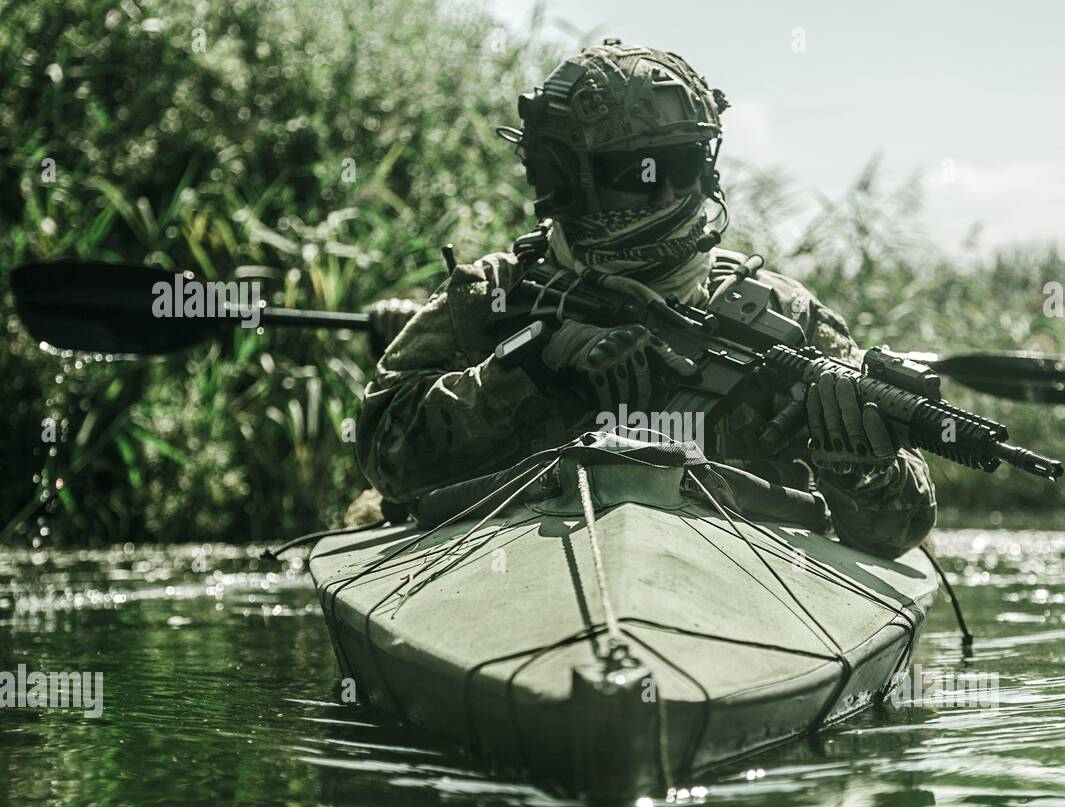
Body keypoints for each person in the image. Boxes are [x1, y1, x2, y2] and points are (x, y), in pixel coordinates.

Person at [353, 39, 935, 558]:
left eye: (686, 162)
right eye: (641, 172)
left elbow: (899, 531)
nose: (675, 189)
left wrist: (859, 467)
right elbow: (386, 461)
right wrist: (530, 363)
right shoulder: (489, 299)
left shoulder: (785, 316)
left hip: (743, 592)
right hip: (510, 577)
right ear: (564, 176)